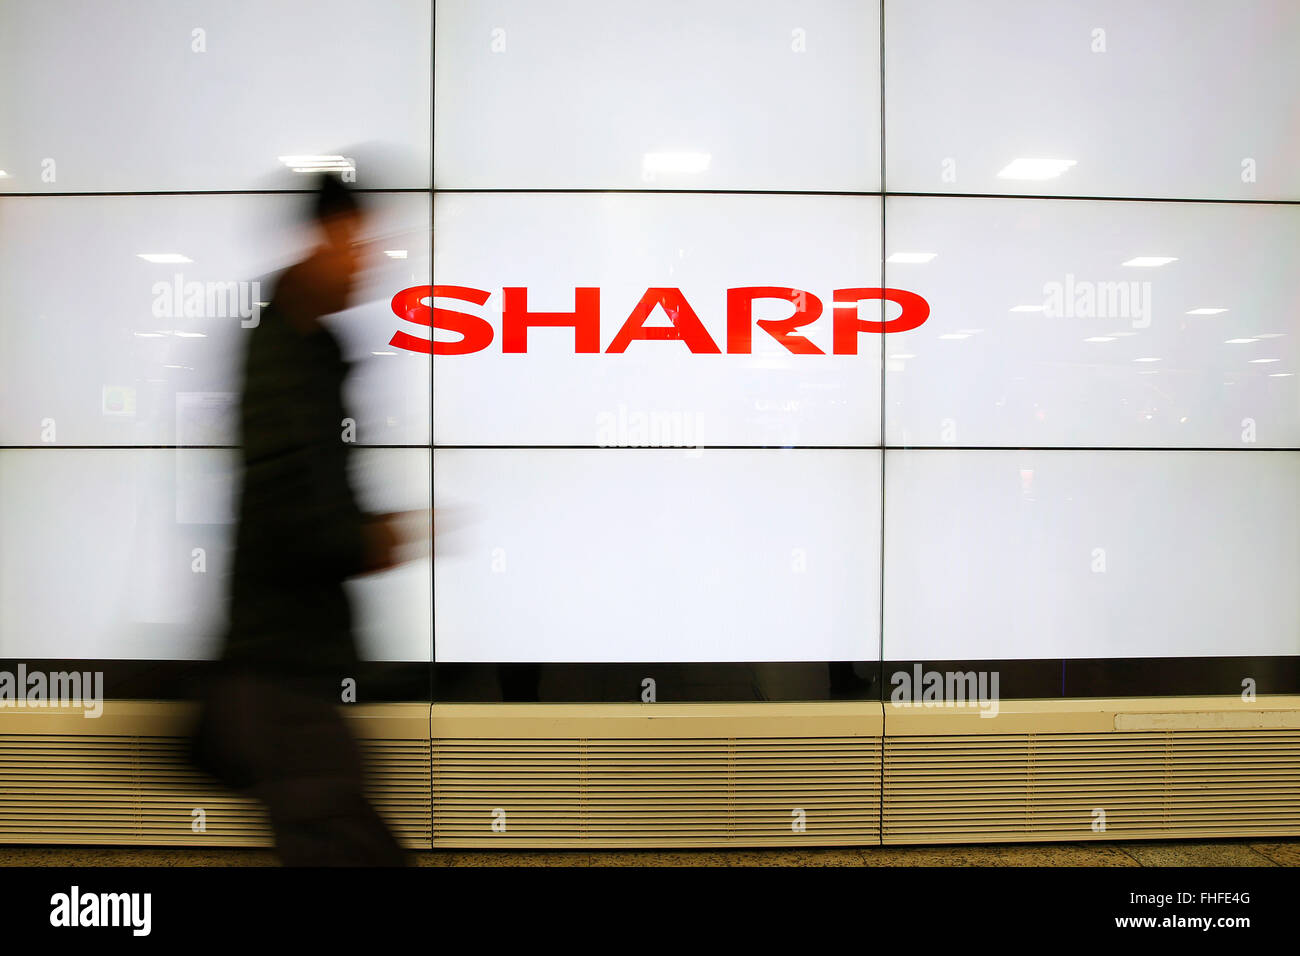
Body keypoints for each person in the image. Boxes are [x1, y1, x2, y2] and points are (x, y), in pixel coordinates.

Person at [192, 173, 408, 866]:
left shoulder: (315, 347)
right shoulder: (281, 353)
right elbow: (291, 506)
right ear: (317, 239)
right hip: (280, 670)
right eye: (353, 243)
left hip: (297, 664)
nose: (364, 261)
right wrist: (368, 538)